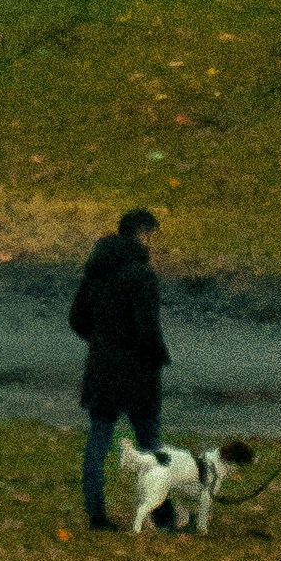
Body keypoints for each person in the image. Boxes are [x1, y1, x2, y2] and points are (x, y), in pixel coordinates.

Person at [67, 203, 166, 532]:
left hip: (103, 367)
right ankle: (163, 515)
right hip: (137, 371)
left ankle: (96, 512)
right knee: (151, 442)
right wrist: (157, 355)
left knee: (98, 440)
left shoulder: (97, 270)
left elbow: (77, 318)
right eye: (151, 236)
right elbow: (147, 328)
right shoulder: (141, 275)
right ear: (142, 234)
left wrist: (102, 341)